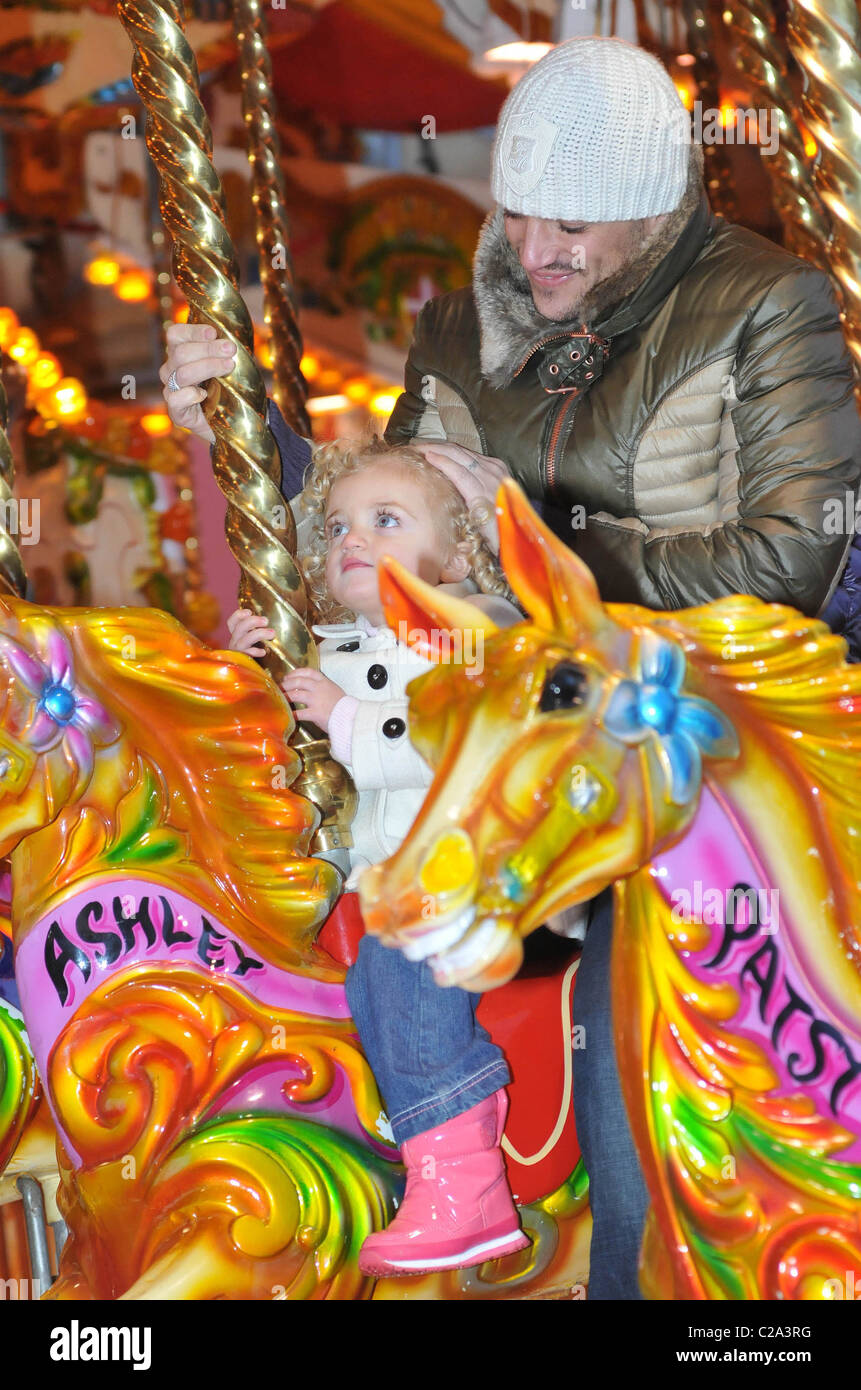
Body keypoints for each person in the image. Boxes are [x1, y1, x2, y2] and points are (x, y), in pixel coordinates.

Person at [161, 36, 861, 1297]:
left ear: (656, 210)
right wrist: (244, 430)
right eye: (522, 210)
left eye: (576, 223)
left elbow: (799, 552)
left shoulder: (767, 305)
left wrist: (546, 534)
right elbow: (384, 521)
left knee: (632, 1069)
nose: (538, 247)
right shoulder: (459, 325)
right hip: (512, 736)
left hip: (689, 756)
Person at [225, 435, 529, 1277]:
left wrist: (344, 717)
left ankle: (464, 1182)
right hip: (371, 875)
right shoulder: (332, 648)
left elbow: (451, 740)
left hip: (469, 872)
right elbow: (277, 754)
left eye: (384, 520)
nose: (349, 538)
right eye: (333, 527)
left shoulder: (475, 633)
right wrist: (257, 669)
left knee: (401, 965)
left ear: (458, 550)